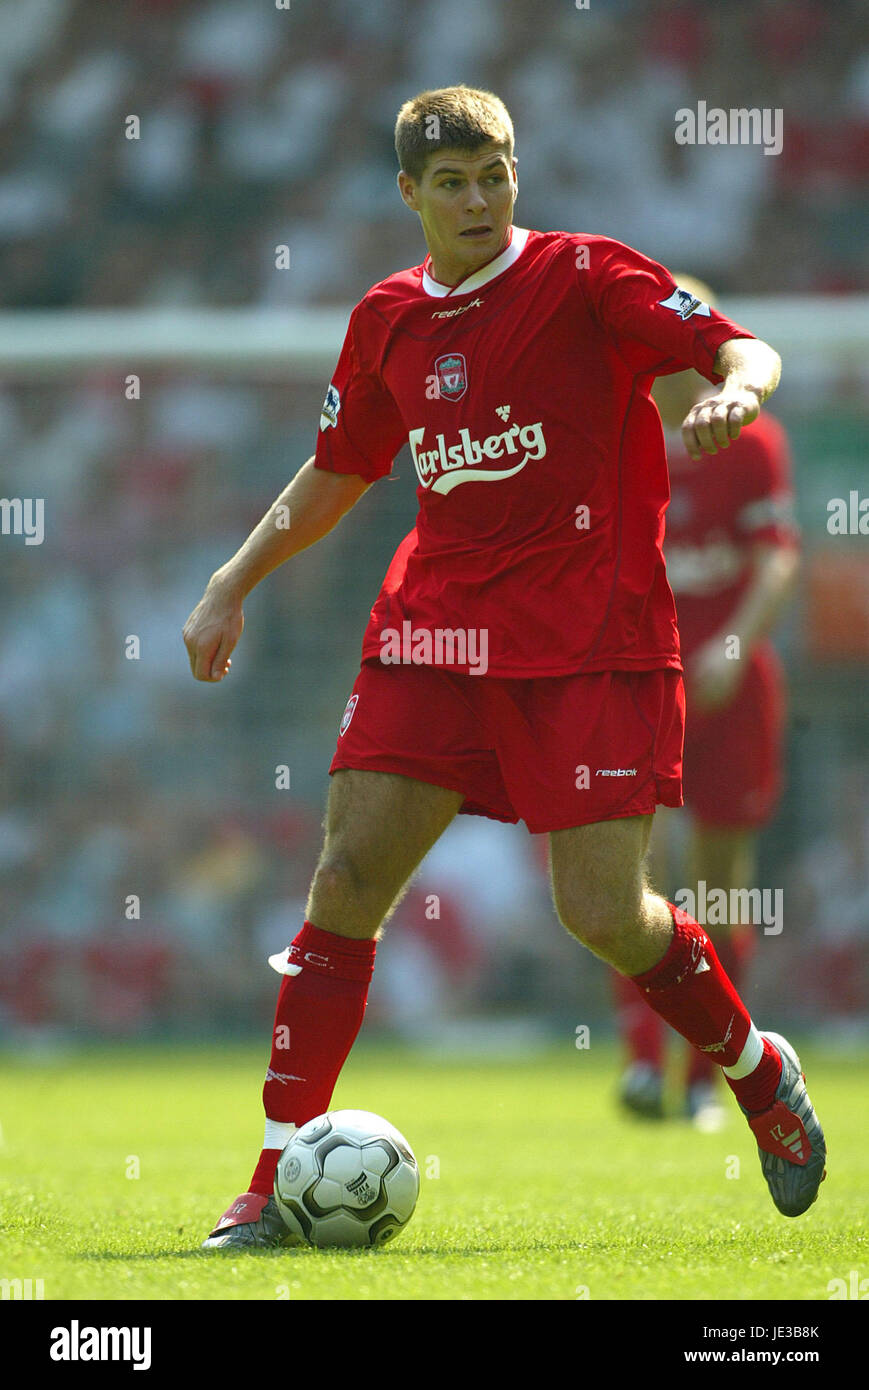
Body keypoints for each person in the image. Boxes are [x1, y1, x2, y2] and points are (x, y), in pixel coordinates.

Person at [182, 86, 825, 1247]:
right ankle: (272, 1178)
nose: (477, 199)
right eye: (451, 183)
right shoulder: (385, 318)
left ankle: (753, 1067)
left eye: (493, 174)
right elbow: (336, 471)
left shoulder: (587, 277)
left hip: (586, 645)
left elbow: (741, 340)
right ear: (410, 196)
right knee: (343, 880)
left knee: (601, 913)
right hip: (432, 632)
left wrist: (736, 385)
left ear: (514, 174)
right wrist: (233, 580)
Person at [611, 277, 801, 1130]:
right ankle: (641, 1066)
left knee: (719, 886)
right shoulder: (616, 441)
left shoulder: (752, 443)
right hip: (637, 681)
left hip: (728, 689)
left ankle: (704, 1077)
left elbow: (777, 558)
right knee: (616, 875)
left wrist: (732, 643)